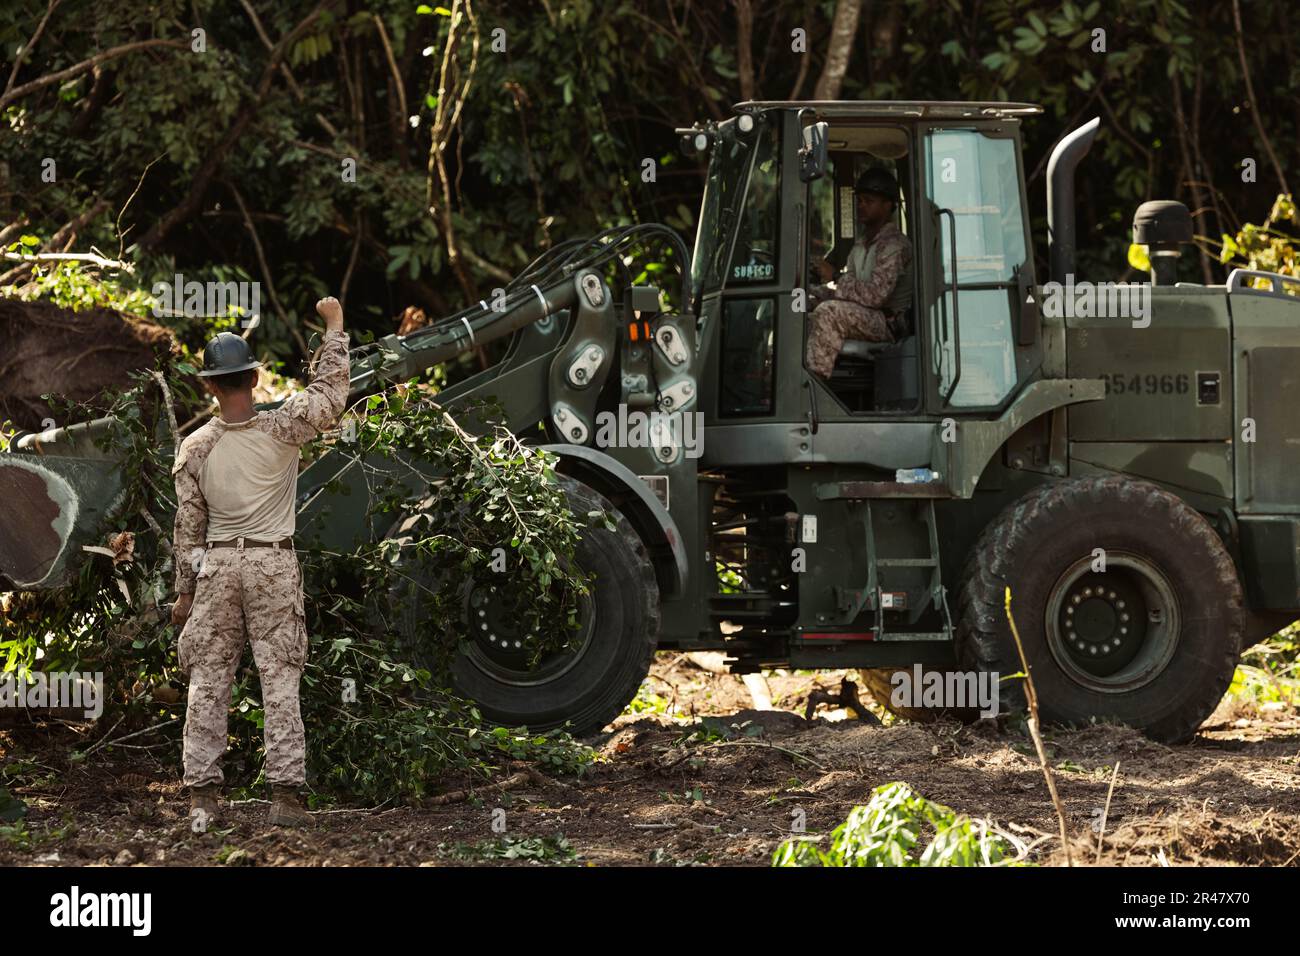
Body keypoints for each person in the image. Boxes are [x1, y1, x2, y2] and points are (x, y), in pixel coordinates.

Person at [171, 297, 349, 828]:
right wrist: (334, 328)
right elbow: (330, 397)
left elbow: (189, 530)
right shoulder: (283, 428)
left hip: (218, 567)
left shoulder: (193, 449)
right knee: (279, 676)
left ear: (208, 385)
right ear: (253, 377)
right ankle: (285, 800)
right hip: (272, 565)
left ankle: (202, 798)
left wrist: (184, 594)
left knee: (207, 679)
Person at [805, 168, 913, 378]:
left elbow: (875, 296)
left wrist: (835, 276)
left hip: (889, 323)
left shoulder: (895, 246)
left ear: (888, 204)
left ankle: (813, 385)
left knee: (828, 313)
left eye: (869, 201)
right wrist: (808, 292)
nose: (861, 205)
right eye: (860, 200)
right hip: (865, 314)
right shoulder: (861, 245)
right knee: (799, 310)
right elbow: (848, 290)